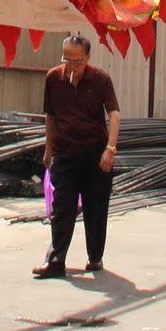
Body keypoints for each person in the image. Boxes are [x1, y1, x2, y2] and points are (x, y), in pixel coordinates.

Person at [34, 35, 120, 278]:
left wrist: (110, 149)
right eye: (67, 60)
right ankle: (56, 260)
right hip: (64, 153)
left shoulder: (101, 79)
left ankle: (95, 257)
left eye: (78, 61)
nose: (72, 66)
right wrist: (48, 150)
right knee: (62, 208)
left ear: (87, 58)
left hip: (95, 154)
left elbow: (114, 115)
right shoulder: (53, 78)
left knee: (96, 208)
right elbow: (50, 116)